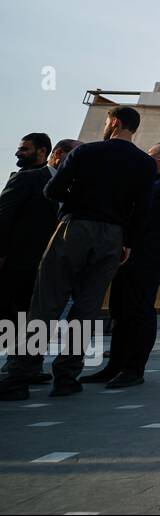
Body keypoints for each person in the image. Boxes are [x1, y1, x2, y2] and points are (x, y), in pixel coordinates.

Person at [0, 107, 155, 400]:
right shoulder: (145, 164)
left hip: (75, 229)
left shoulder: (86, 153)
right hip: (113, 236)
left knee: (46, 303)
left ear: (115, 122)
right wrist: (127, 242)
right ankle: (67, 376)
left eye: (108, 122)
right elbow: (143, 210)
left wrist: (80, 200)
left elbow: (52, 190)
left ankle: (19, 375)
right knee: (87, 308)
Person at [88, 142, 160, 388]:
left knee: (139, 307)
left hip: (151, 250)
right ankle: (115, 366)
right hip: (131, 249)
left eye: (150, 154)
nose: (146, 158)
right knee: (121, 307)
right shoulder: (151, 181)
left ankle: (133, 368)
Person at [0, 134, 60, 384]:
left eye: (24, 149)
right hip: (17, 260)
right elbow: (3, 216)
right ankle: (17, 365)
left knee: (30, 314)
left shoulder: (55, 182)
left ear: (43, 151)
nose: (18, 154)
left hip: (39, 262)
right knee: (14, 313)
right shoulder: (26, 178)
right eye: (20, 149)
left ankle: (25, 366)